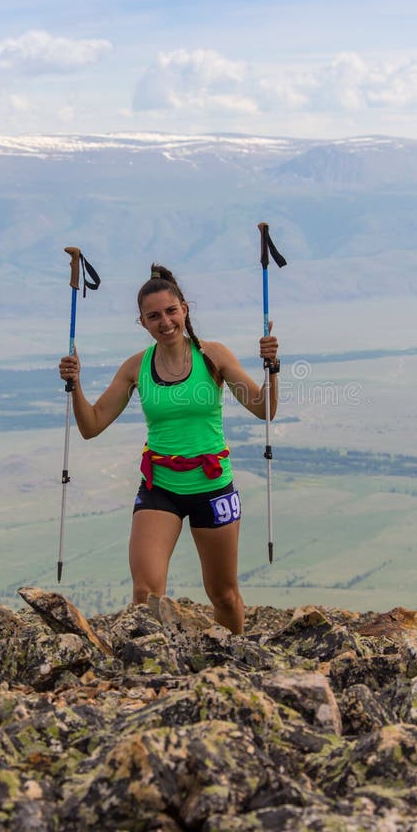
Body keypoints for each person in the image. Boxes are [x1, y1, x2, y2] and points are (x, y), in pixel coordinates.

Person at [58, 264, 279, 634]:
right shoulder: (135, 367)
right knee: (145, 593)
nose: (165, 321)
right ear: (142, 322)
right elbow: (92, 425)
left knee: (223, 595)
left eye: (171, 311)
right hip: (160, 488)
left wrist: (273, 367)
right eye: (154, 315)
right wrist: (75, 384)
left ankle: (237, 664)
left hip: (212, 487)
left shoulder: (214, 357)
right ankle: (149, 662)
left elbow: (263, 408)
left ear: (185, 309)